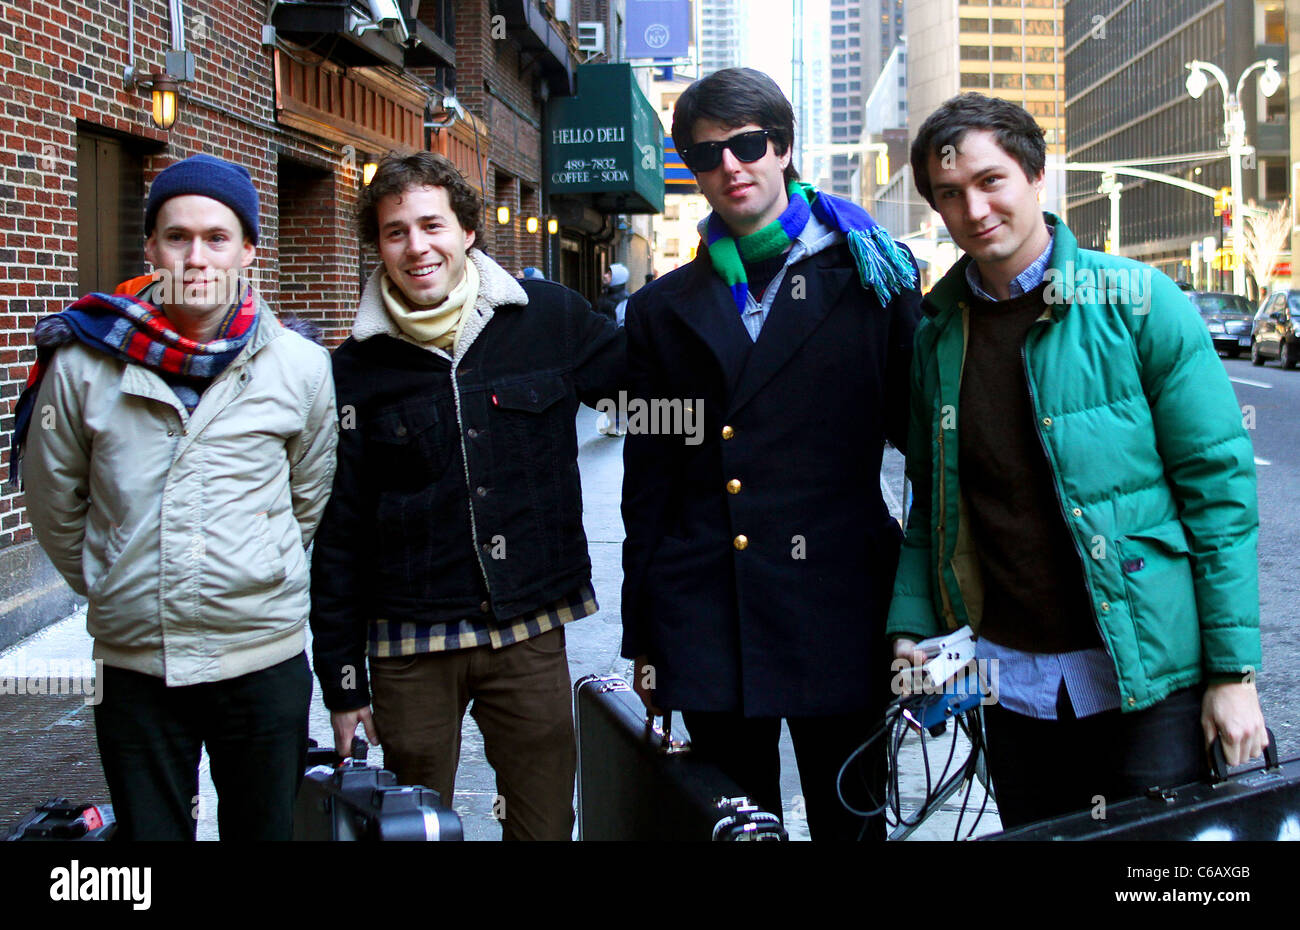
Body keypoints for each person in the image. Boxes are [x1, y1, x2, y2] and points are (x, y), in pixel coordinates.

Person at [888, 93, 1269, 829]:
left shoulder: (1139, 301)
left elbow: (1220, 498)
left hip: (1151, 677)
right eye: (950, 195)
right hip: (1014, 684)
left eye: (991, 180)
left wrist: (1233, 674)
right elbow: (932, 508)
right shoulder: (937, 337)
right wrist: (911, 628)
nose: (974, 208)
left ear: (1035, 175)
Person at [620, 67, 922, 840]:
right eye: (705, 153)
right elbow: (648, 483)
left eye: (748, 144)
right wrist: (647, 641)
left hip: (841, 609)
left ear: (783, 148)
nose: (730, 165)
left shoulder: (872, 277)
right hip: (710, 613)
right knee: (733, 830)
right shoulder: (660, 309)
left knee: (852, 827)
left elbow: (927, 450)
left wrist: (926, 612)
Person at [15, 153, 339, 840]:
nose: (197, 256)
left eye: (217, 237)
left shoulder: (302, 368)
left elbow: (307, 496)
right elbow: (53, 501)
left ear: (249, 249)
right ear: (150, 247)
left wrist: (257, 567)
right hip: (136, 666)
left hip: (262, 659)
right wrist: (116, 577)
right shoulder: (81, 365)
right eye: (177, 236)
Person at [310, 151, 623, 841]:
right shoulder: (352, 371)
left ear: (467, 231)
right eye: (396, 231)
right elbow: (339, 534)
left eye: (432, 225)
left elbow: (647, 390)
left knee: (543, 824)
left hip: (530, 628)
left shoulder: (548, 318)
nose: (417, 246)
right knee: (410, 831)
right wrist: (341, 681)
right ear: (379, 245)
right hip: (408, 644)